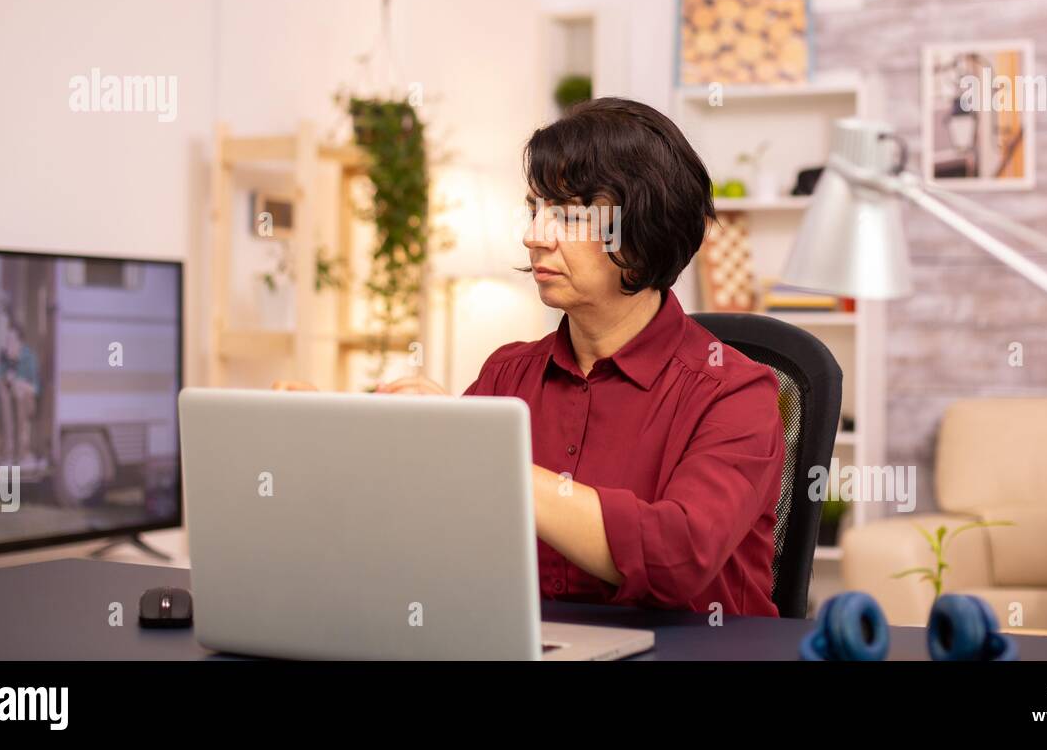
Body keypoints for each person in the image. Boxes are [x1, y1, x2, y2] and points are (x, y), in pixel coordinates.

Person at [279, 98, 788, 617]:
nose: (534, 236)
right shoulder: (507, 373)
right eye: (535, 210)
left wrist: (481, 456)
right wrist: (333, 445)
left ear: (644, 232)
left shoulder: (737, 392)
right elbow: (433, 528)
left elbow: (677, 557)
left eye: (567, 215)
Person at [0, 316, 41, 468]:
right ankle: (8, 452)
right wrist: (6, 379)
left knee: (18, 391)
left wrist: (19, 383)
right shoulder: (4, 358)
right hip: (9, 400)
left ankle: (22, 452)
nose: (8, 345)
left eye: (11, 341)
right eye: (6, 340)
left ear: (20, 343)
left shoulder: (29, 358)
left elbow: (35, 388)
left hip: (27, 401)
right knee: (4, 392)